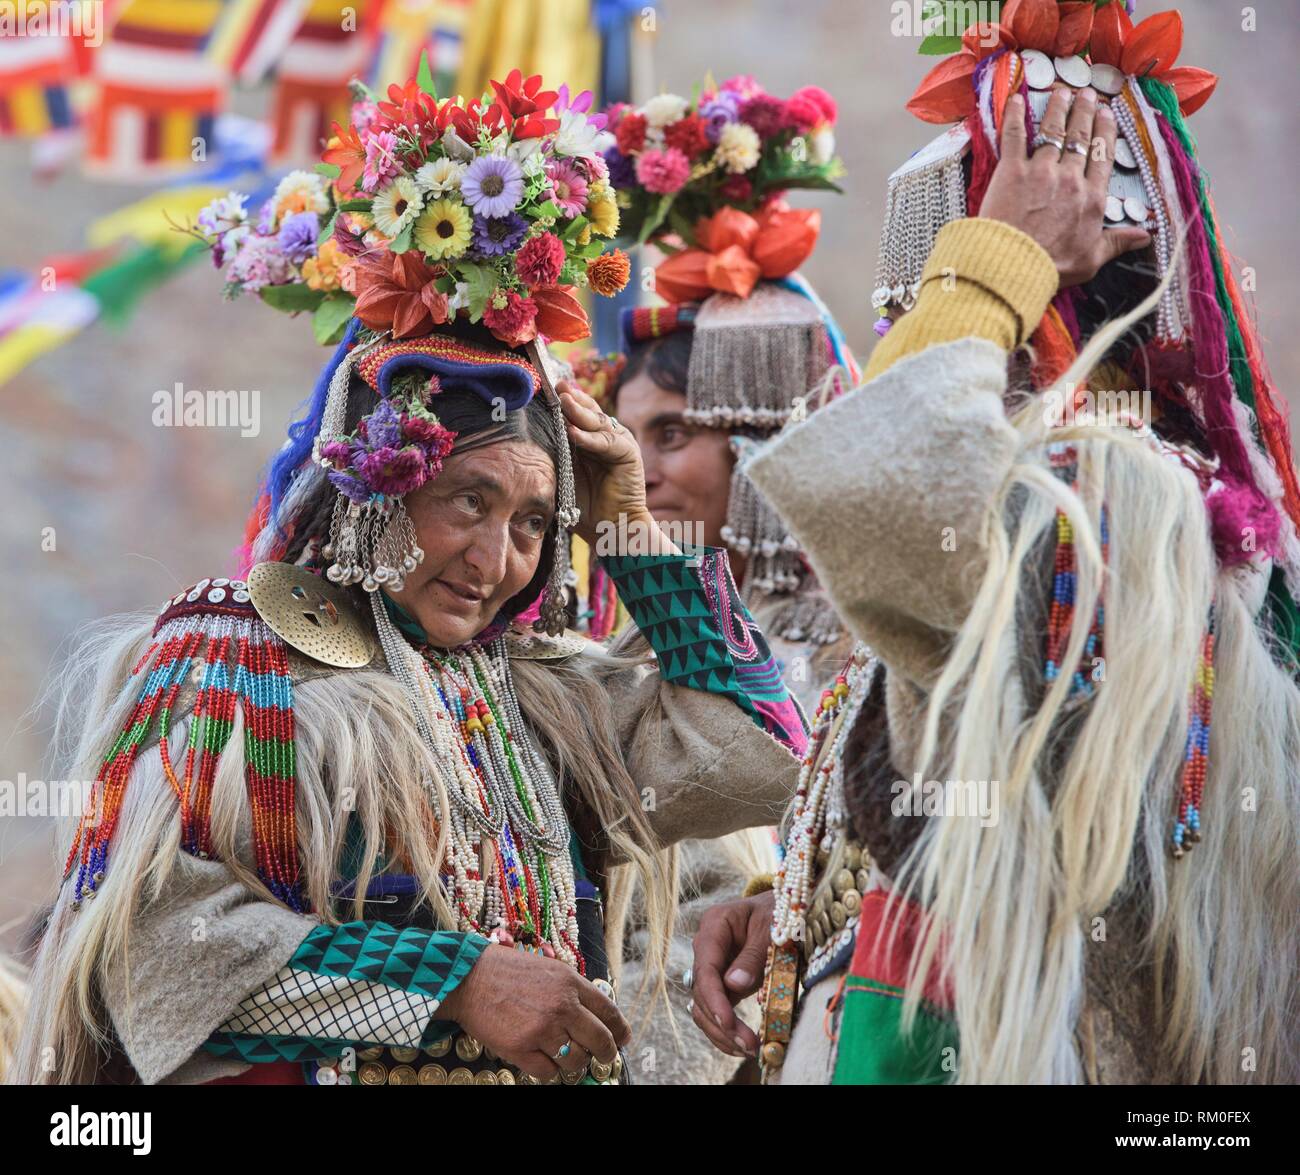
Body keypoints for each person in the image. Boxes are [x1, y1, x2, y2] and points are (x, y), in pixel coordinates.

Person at [10, 69, 805, 1086]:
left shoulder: (549, 697)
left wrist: (628, 526)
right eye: (467, 502)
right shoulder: (234, 660)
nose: (497, 559)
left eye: (532, 522)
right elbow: (155, 952)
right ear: (375, 485)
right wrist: (454, 978)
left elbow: (765, 756)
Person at [692, 0, 1300, 1084]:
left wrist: (994, 263)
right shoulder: (1186, 515)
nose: (915, 328)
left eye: (937, 288)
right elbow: (943, 774)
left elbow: (872, 476)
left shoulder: (1102, 506)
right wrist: (798, 907)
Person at [592, 76, 861, 1084]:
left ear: (759, 439)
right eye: (624, 439)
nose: (643, 469)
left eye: (672, 433)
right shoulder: (612, 657)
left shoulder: (857, 655)